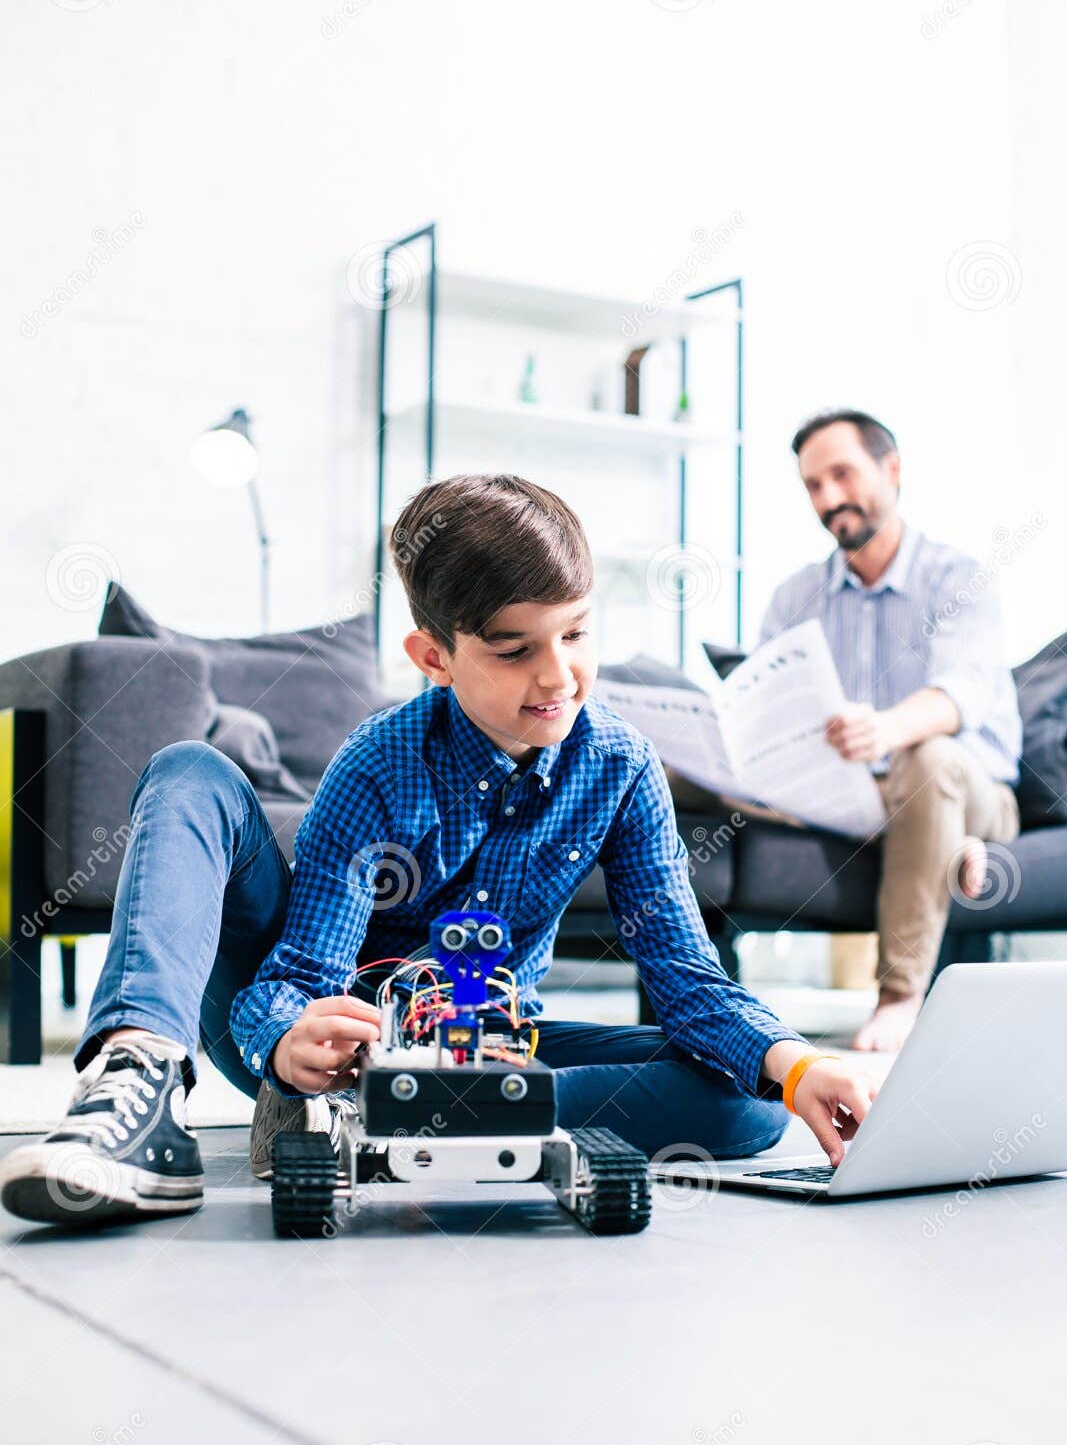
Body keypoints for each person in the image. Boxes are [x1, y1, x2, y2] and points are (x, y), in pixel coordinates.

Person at [1, 473, 877, 1228]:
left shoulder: (619, 767)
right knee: (189, 771)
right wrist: (286, 1041)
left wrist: (797, 1063)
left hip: (489, 1051)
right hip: (333, 1043)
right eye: (513, 649)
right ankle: (137, 1081)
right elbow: (297, 975)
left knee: (750, 1103)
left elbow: (687, 981)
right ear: (434, 657)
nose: (557, 675)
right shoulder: (378, 762)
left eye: (575, 634)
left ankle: (420, 1120)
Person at [762, 410, 1022, 1052]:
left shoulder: (958, 578)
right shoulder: (795, 597)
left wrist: (882, 730)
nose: (829, 498)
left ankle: (901, 997)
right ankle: (946, 844)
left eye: (843, 474)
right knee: (682, 772)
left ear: (892, 470)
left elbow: (961, 696)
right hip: (848, 796)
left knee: (925, 759)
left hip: (968, 783)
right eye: (813, 485)